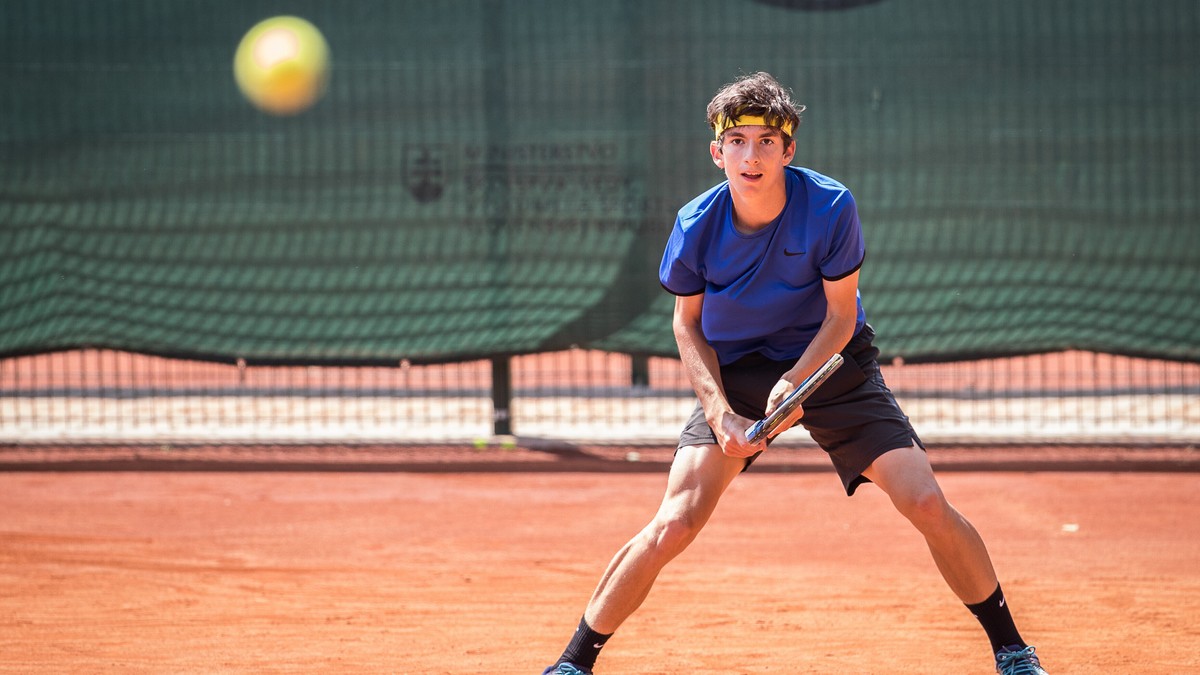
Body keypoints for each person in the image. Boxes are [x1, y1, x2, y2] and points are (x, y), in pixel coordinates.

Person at [541, 72, 1048, 675]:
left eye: (765, 141)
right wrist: (720, 412)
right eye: (737, 142)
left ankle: (1013, 651)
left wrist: (796, 383)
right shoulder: (695, 224)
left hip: (831, 362)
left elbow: (839, 318)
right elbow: (687, 326)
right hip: (736, 370)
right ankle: (573, 663)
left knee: (927, 502)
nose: (750, 155)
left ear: (788, 150)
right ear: (717, 151)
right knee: (675, 521)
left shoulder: (830, 206)